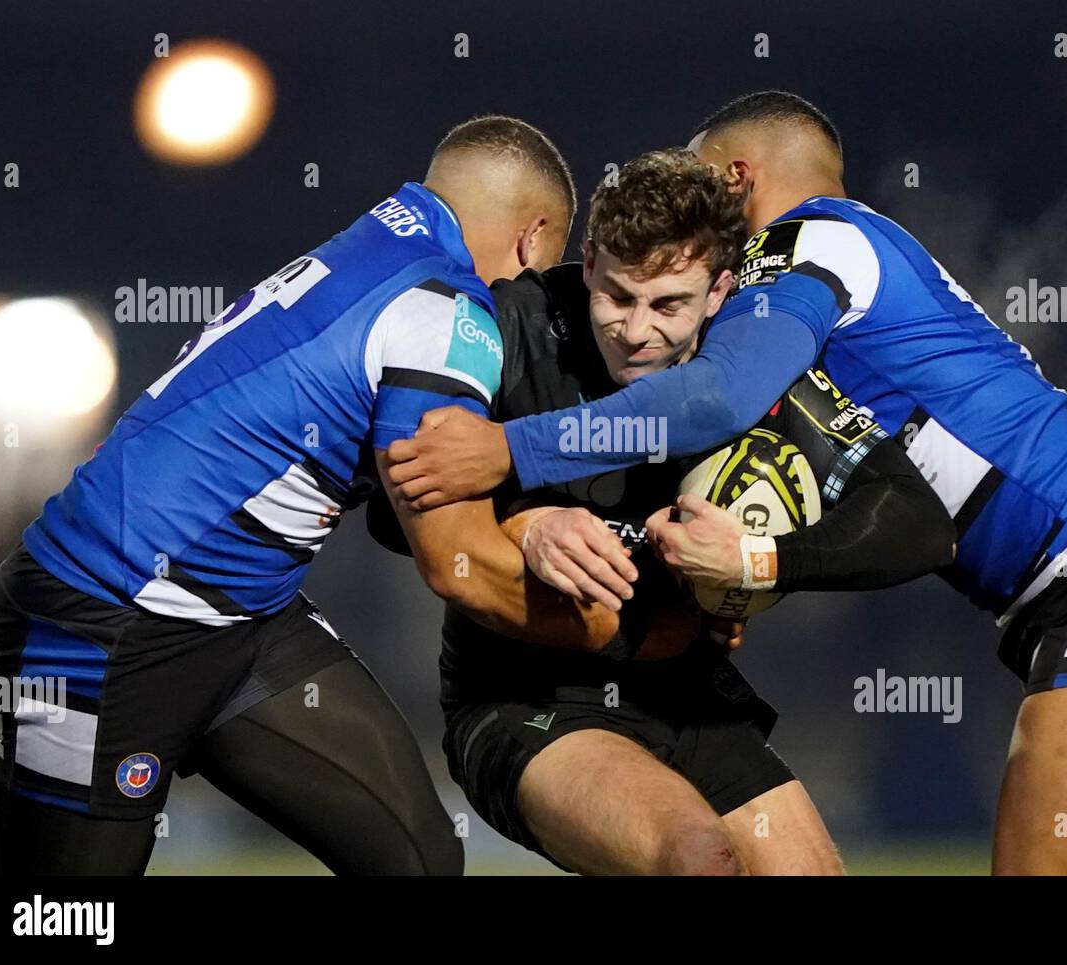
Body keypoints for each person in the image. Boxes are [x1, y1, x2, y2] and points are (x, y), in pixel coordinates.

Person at [383, 92, 1067, 875]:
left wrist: (510, 452)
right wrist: (750, 566)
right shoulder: (836, 262)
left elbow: (717, 399)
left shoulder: (803, 246)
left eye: (697, 173)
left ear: (734, 177)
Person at [0, 115, 615, 875]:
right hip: (94, 623)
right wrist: (624, 634)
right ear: (531, 236)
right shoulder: (446, 310)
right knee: (62, 923)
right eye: (540, 268)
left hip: (244, 617)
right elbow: (455, 564)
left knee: (416, 858)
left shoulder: (374, 247)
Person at [370, 149, 950, 874]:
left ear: (720, 293)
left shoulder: (754, 369)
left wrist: (756, 562)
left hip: (685, 690)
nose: (636, 330)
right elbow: (396, 507)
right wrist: (526, 520)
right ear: (586, 264)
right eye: (616, 295)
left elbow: (919, 524)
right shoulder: (512, 324)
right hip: (522, 697)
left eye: (669, 304)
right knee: (698, 857)